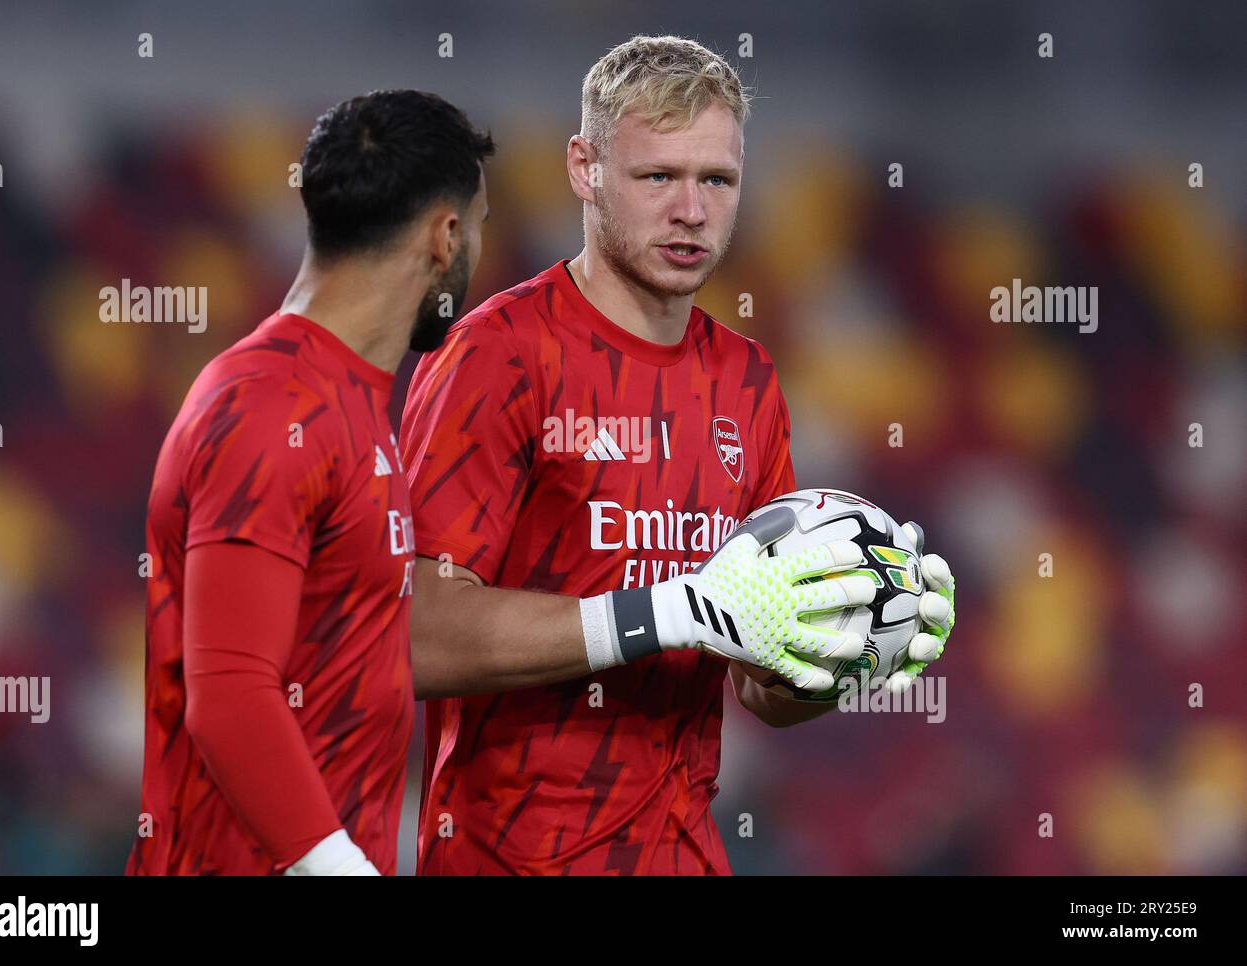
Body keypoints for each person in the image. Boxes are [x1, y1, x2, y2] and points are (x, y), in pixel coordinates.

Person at [400, 36, 955, 875]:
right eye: (658, 177)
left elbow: (758, 689)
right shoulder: (498, 354)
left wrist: (858, 645)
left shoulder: (747, 380)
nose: (692, 210)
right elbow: (417, 637)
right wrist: (668, 609)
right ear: (584, 169)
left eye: (717, 180)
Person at [127, 90, 493, 875]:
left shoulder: (348, 403)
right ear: (447, 234)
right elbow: (228, 697)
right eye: (481, 228)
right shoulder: (268, 405)